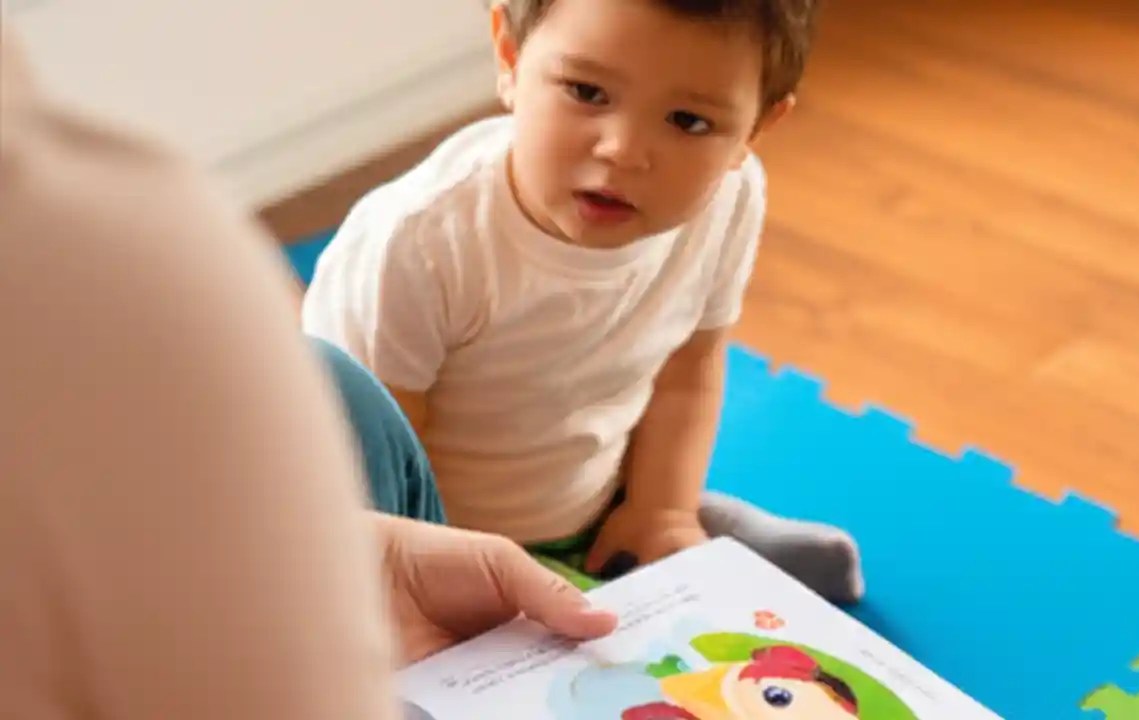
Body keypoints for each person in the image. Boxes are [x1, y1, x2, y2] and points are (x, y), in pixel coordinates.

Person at [0, 29, 615, 720]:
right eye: (587, 92)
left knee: (335, 390)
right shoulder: (88, 250)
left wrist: (359, 554)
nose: (623, 150)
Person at [302, 0, 864, 603]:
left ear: (752, 133)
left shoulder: (728, 198)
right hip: (426, 531)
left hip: (589, 493)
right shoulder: (421, 243)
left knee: (655, 528)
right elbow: (375, 467)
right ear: (511, 57)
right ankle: (671, 567)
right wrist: (447, 591)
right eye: (587, 92)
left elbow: (688, 368)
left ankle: (671, 532)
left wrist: (662, 510)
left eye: (688, 122)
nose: (623, 150)